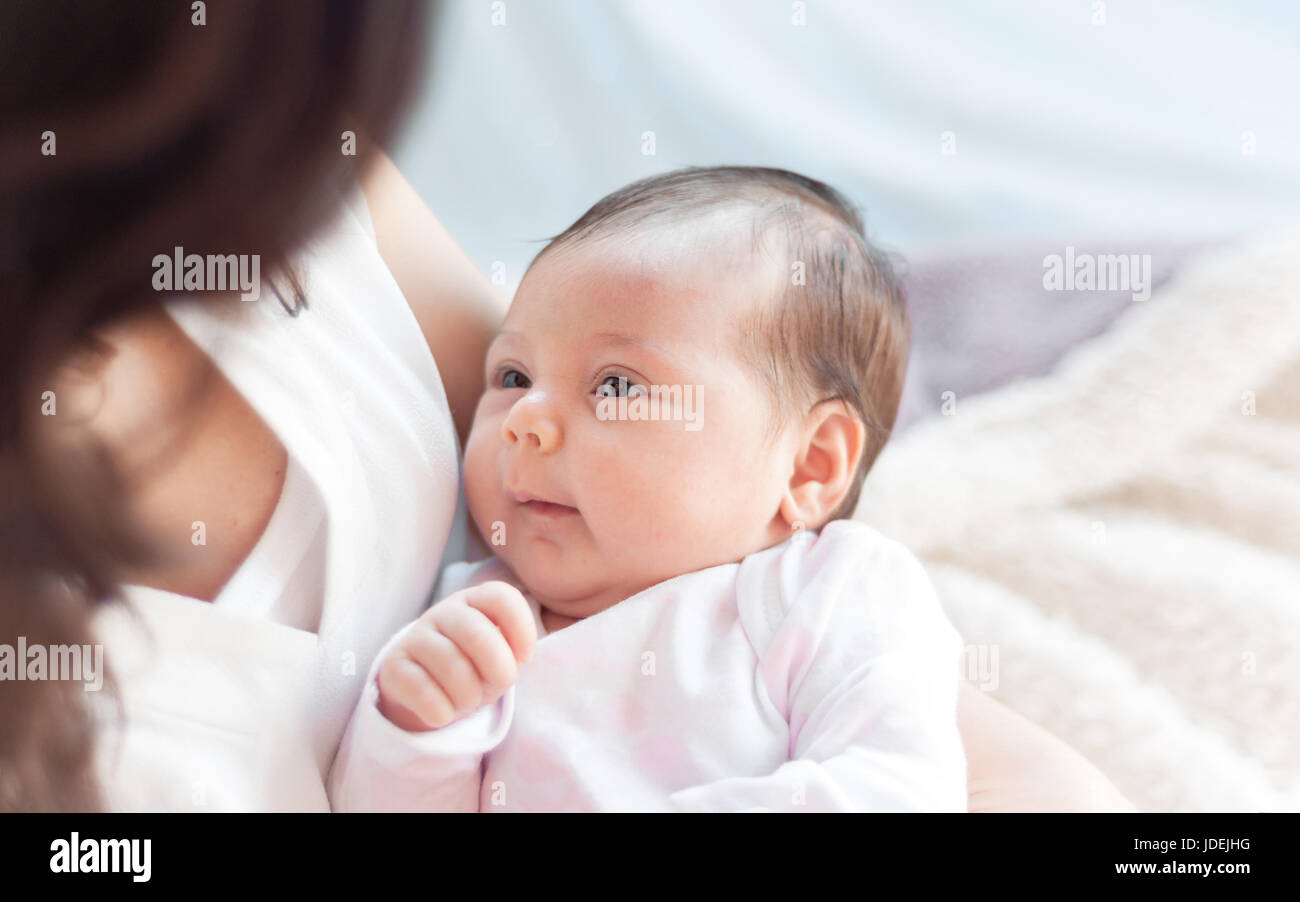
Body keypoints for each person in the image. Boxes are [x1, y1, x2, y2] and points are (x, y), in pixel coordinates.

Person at [0, 1, 1135, 812]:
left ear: (811, 468)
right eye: (509, 379)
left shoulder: (828, 593)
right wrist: (414, 725)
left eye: (618, 386)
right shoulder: (483, 609)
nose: (527, 422)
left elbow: (900, 780)